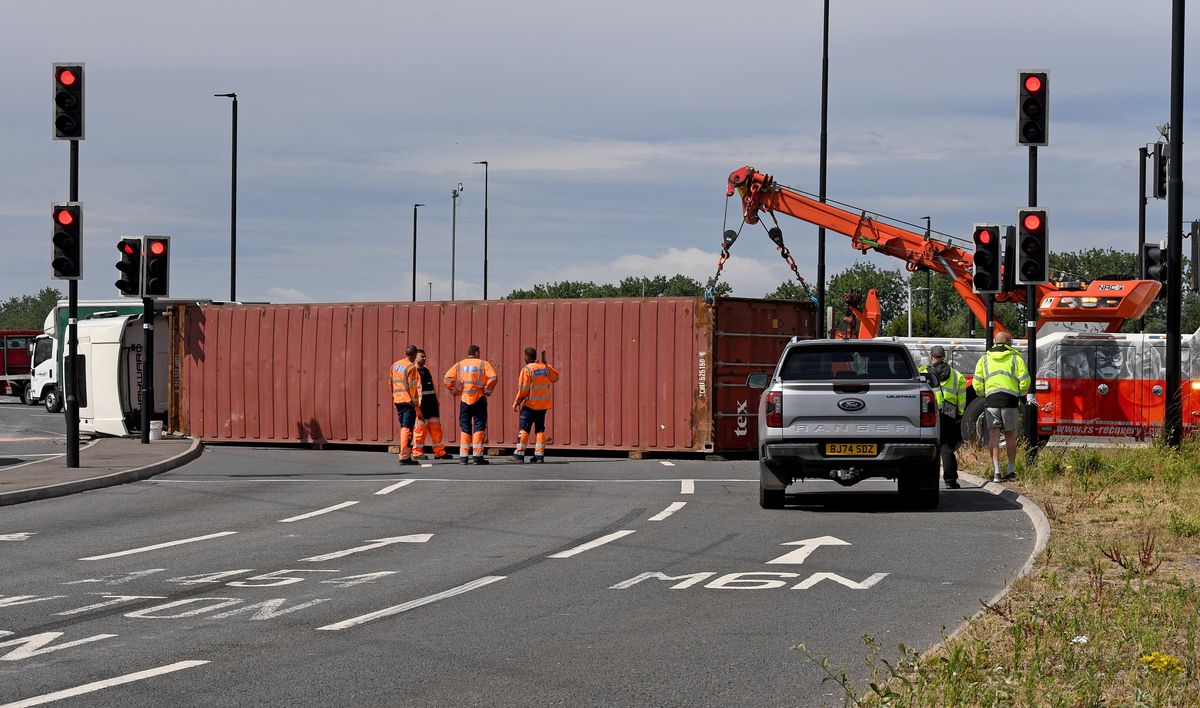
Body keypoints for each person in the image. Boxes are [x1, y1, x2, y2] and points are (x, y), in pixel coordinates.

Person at [972, 332, 1031, 483]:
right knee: (1010, 436)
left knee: (994, 437)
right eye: (1011, 341)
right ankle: (1011, 470)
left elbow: (977, 383)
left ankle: (997, 472)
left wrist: (984, 394)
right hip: (1010, 401)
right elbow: (1025, 381)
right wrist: (1020, 393)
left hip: (992, 400)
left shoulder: (984, 359)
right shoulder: (1015, 358)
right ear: (1006, 342)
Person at [919, 345, 967, 489]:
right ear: (943, 356)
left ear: (931, 357)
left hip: (928, 413)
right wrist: (959, 413)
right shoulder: (956, 374)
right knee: (947, 447)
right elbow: (962, 397)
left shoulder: (923, 372)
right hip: (948, 414)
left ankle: (923, 480)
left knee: (927, 447)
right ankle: (951, 480)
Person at [444, 344, 498, 465]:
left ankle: (463, 457)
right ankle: (477, 457)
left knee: (465, 427)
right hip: (479, 398)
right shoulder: (483, 364)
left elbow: (447, 378)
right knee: (479, 426)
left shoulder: (460, 364)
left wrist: (455, 391)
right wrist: (488, 391)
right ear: (477, 353)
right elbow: (493, 377)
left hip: (464, 399)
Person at [512, 347, 560, 463]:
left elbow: (523, 389)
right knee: (540, 429)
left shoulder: (527, 370)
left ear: (526, 358)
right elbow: (555, 377)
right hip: (542, 406)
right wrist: (547, 366)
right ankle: (539, 456)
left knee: (524, 429)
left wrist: (517, 402)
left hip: (530, 405)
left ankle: (519, 455)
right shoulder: (544, 367)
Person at [412, 349, 449, 461]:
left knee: (436, 429)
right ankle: (417, 452)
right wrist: (416, 406)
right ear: (415, 358)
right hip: (421, 405)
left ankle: (439, 452)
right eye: (421, 357)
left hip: (432, 404)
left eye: (425, 357)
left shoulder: (426, 371)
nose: (424, 358)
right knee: (420, 429)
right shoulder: (413, 371)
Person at [389, 344, 421, 466]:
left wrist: (394, 397)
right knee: (407, 428)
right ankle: (404, 456)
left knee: (403, 426)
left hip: (398, 400)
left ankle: (404, 454)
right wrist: (416, 404)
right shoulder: (411, 367)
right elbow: (413, 387)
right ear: (413, 354)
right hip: (407, 401)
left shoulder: (395, 365)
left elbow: (390, 383)